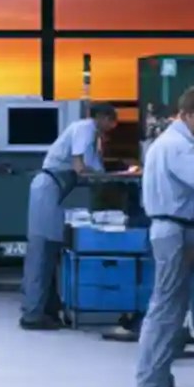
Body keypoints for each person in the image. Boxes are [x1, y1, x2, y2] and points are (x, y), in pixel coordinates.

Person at [134, 86, 194, 387]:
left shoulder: (173, 144)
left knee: (169, 309)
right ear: (188, 115)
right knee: (167, 310)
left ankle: (158, 383)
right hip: (177, 231)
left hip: (173, 228)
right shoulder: (179, 148)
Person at [21, 103, 119, 331]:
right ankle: (32, 315)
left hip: (57, 191)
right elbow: (79, 166)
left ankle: (47, 310)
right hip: (48, 188)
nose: (112, 127)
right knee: (42, 250)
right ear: (103, 117)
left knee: (52, 250)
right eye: (112, 121)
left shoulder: (93, 138)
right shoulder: (85, 127)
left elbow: (94, 169)